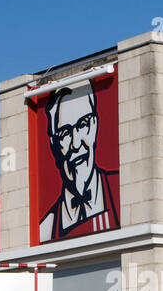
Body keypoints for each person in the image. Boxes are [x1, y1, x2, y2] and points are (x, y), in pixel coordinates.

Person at [39, 83, 119, 241]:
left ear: (94, 126)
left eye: (83, 124)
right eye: (64, 133)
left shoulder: (122, 191)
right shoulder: (45, 230)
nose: (76, 144)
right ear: (53, 145)